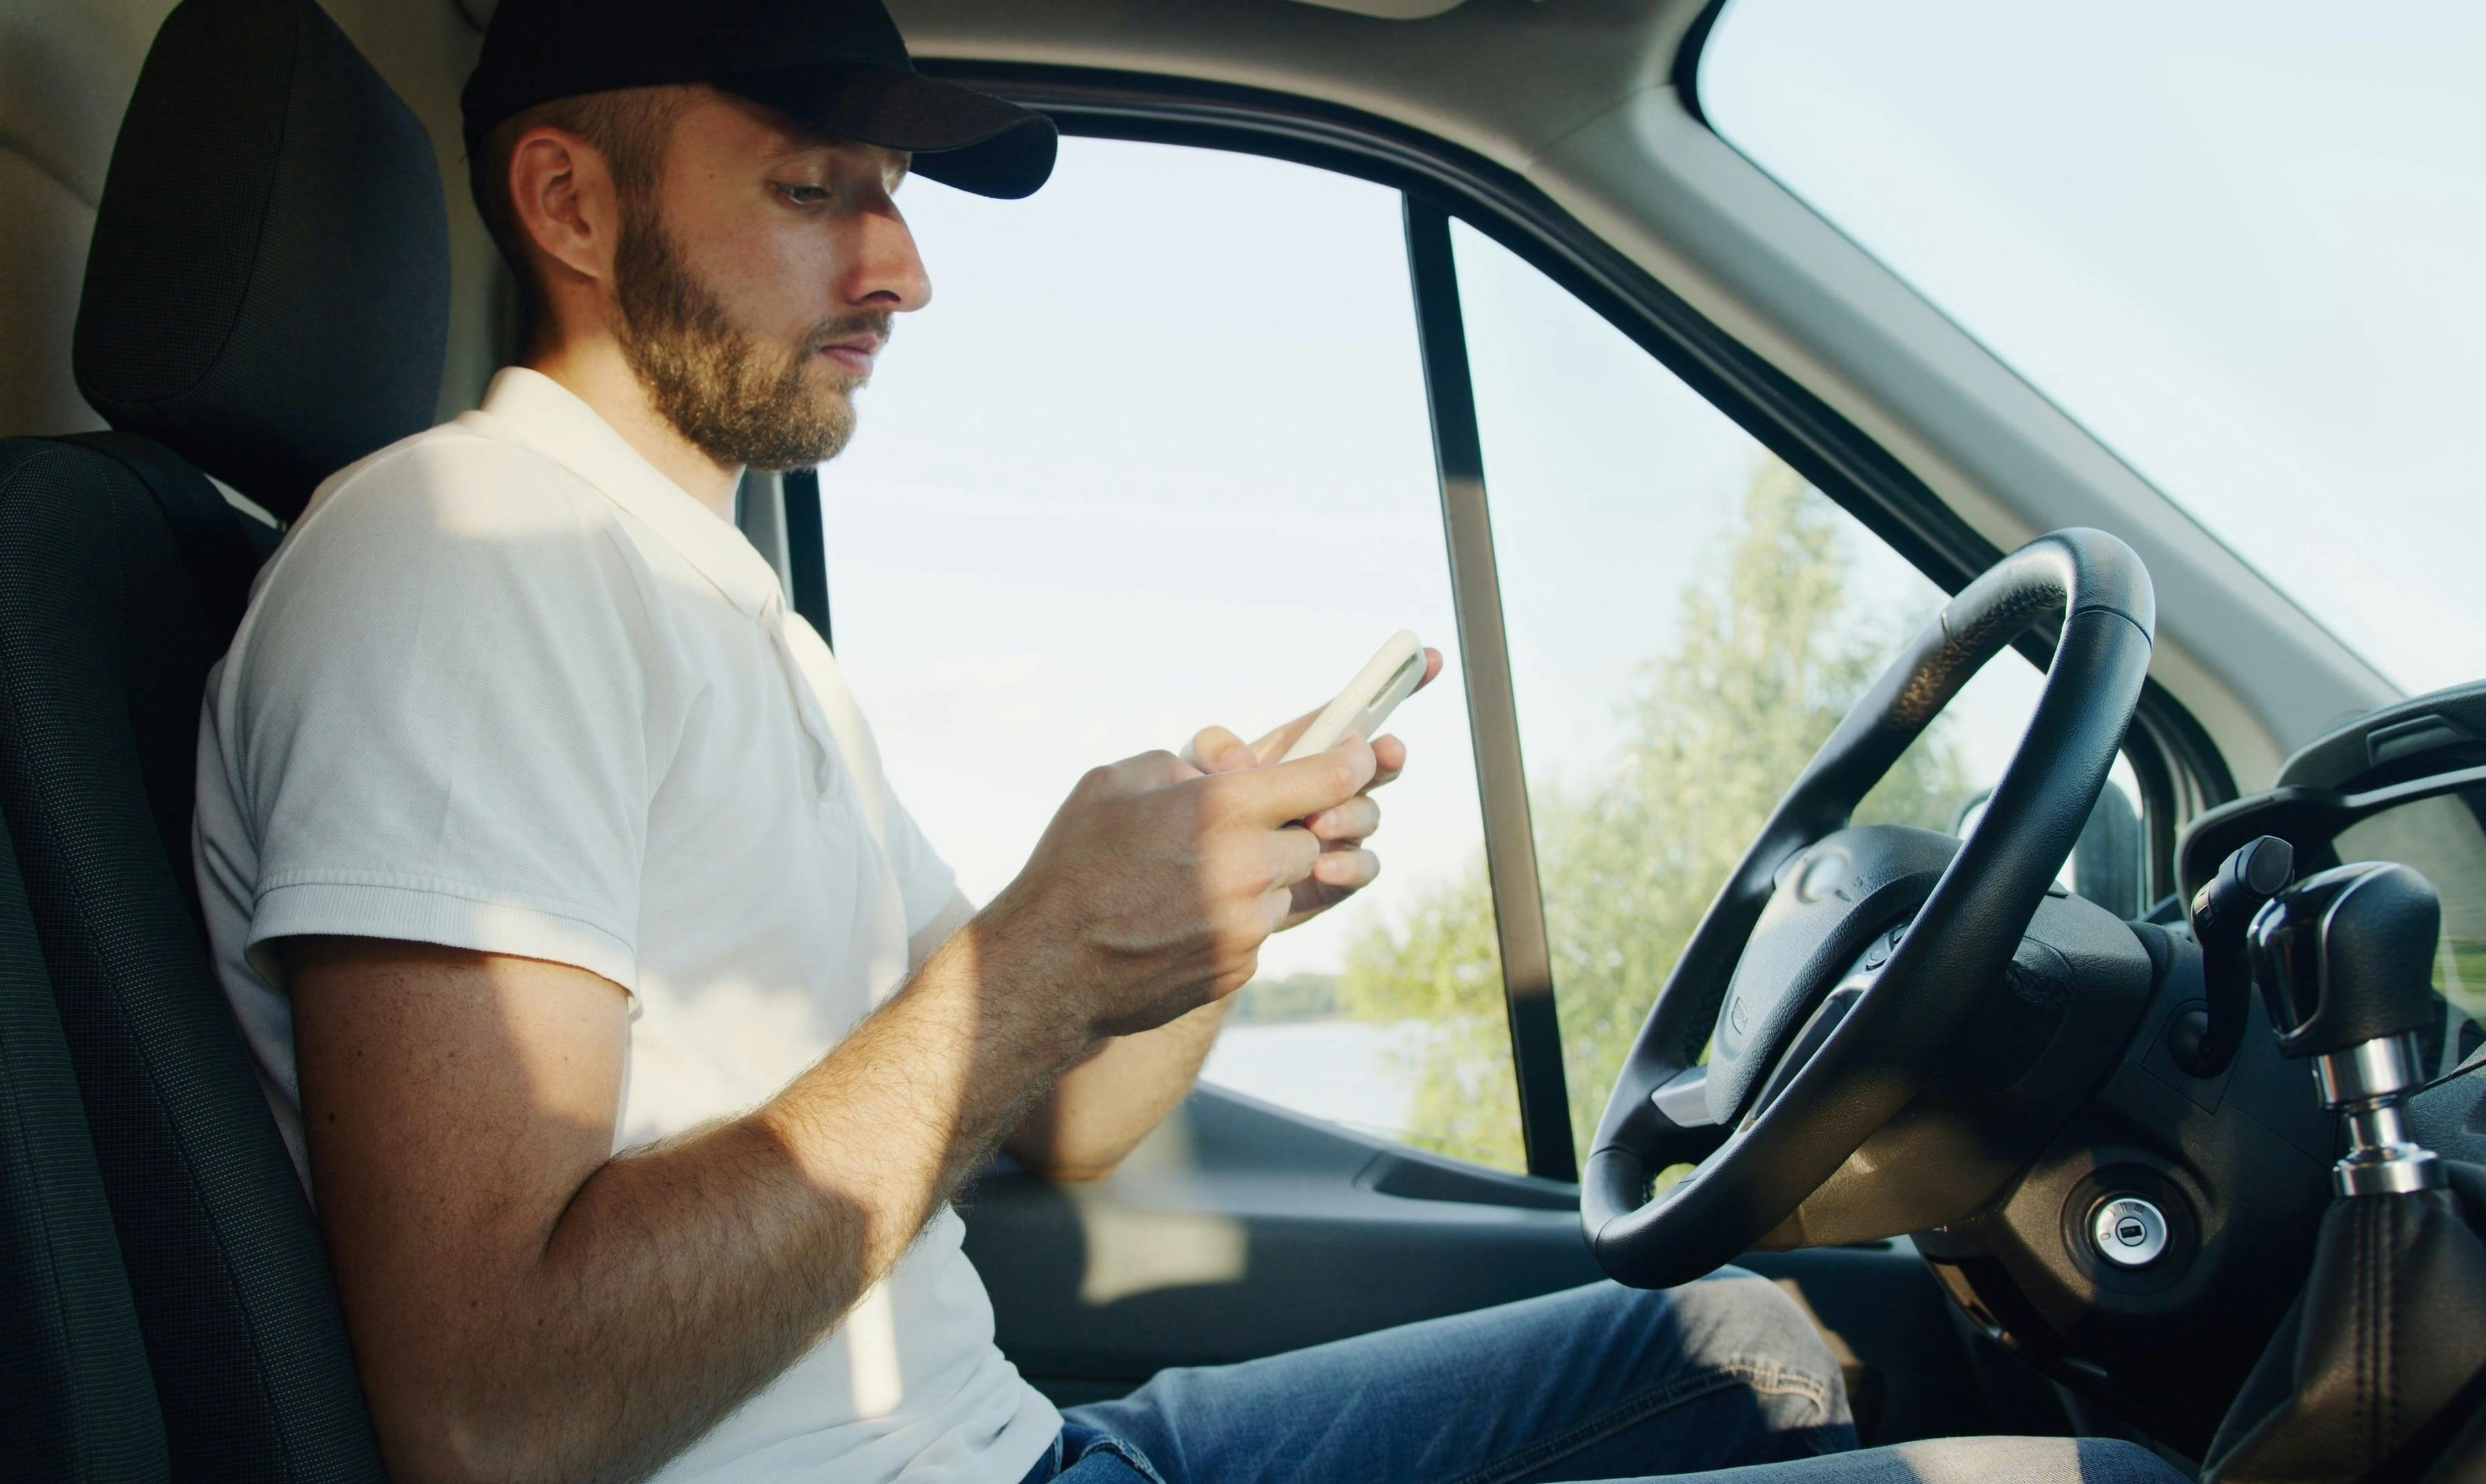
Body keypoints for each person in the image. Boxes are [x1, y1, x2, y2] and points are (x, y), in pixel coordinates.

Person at [192, 2, 2177, 1483]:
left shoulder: (711, 607)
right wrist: (1036, 954)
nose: (900, 268)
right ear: (567, 200)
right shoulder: (460, 566)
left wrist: (1194, 932)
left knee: (1850, 1329)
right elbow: (491, 1408)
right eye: (815, 193)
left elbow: (1037, 1119)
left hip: (1038, 1447)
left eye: (888, 197)